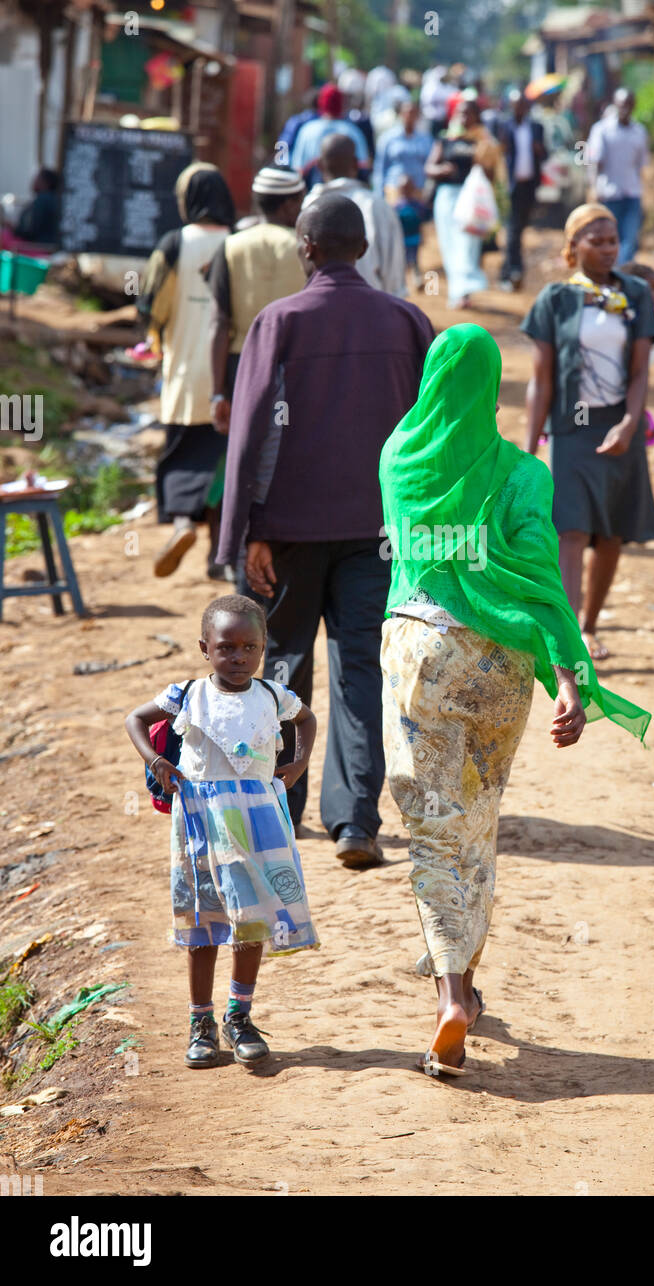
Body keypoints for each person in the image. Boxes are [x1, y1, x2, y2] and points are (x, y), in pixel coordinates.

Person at [379, 324, 651, 1078]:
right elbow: (539, 584)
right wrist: (568, 676)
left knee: (434, 831)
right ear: (495, 385)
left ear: (433, 380)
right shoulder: (527, 477)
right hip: (500, 665)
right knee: (478, 821)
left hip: (418, 655)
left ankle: (452, 994)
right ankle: (464, 979)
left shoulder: (399, 458)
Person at [217, 194, 434, 869]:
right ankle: (354, 823)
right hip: (381, 533)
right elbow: (433, 433)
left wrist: (240, 533)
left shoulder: (279, 321)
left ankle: (278, 810)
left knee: (280, 666)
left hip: (285, 531)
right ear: (363, 248)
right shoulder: (407, 322)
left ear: (304, 247)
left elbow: (250, 431)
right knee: (362, 667)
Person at [124, 594, 319, 1069]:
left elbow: (307, 719)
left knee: (250, 920)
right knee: (203, 921)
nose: (239, 657)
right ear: (204, 648)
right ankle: (201, 1023)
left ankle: (240, 1015)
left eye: (249, 648)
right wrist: (156, 761)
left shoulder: (274, 696)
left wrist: (297, 763)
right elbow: (135, 719)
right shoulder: (187, 694)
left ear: (264, 649)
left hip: (259, 823)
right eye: (227, 647)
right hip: (201, 824)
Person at [521, 203, 654, 660]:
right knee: (572, 530)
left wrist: (629, 423)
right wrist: (529, 449)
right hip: (571, 430)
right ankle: (569, 639)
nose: (607, 250)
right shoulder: (554, 301)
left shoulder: (636, 295)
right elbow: (541, 380)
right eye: (596, 242)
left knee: (611, 533)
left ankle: (591, 624)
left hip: (619, 426)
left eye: (612, 241)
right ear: (573, 246)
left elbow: (640, 372)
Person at [138, 163, 236, 579]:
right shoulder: (238, 243)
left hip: (185, 371)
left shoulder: (174, 243)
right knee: (222, 463)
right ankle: (218, 554)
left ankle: (180, 524)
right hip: (229, 373)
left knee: (180, 453)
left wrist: (154, 333)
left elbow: (149, 304)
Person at [208, 165, 307, 441]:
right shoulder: (306, 248)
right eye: (301, 200)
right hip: (295, 366)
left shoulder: (231, 246)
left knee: (248, 447)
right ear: (290, 204)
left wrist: (217, 393)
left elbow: (219, 322)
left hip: (241, 367)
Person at [304, 134, 407, 295]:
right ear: (355, 164)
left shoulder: (307, 206)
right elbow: (393, 271)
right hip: (372, 309)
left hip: (317, 311)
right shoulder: (377, 205)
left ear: (319, 165)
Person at [425, 95, 502, 310]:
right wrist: (442, 170)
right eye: (459, 112)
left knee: (467, 244)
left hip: (471, 200)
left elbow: (494, 173)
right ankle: (457, 292)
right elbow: (429, 167)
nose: (463, 117)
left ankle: (465, 290)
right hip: (447, 197)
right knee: (449, 244)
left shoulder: (484, 141)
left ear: (476, 116)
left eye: (467, 112)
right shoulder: (445, 139)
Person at [586, 88, 649, 264]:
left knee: (629, 241)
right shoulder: (602, 130)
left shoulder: (639, 132)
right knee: (609, 240)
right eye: (621, 105)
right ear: (615, 105)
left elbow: (641, 164)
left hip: (632, 194)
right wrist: (593, 187)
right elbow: (593, 161)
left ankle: (622, 278)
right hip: (609, 195)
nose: (625, 109)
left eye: (628, 105)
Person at [498, 90, 546, 291]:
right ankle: (515, 270)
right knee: (513, 229)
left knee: (519, 228)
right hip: (510, 186)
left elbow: (545, 153)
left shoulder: (536, 128)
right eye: (515, 104)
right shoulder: (503, 127)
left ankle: (506, 271)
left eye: (521, 105)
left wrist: (539, 150)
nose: (518, 108)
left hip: (529, 185)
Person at [289, 83, 371, 187]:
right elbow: (364, 169)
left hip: (314, 195)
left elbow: (298, 170)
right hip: (348, 197)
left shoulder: (307, 131)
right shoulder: (353, 131)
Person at [374, 99, 433, 200]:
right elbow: (380, 167)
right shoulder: (388, 138)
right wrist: (379, 193)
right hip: (393, 189)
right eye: (407, 113)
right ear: (401, 114)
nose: (409, 116)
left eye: (413, 113)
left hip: (418, 190)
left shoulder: (426, 140)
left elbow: (429, 165)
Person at [13, 167, 59, 248]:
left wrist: (13, 228)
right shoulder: (55, 199)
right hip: (48, 246)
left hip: (39, 247)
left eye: (37, 178)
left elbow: (31, 231)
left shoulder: (43, 200)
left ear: (45, 183)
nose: (33, 182)